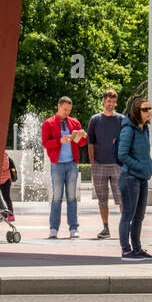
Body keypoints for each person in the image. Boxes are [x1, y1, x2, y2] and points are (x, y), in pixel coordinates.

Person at [41, 95, 87, 240]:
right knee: (56, 197)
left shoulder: (74, 122)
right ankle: (53, 228)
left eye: (69, 110)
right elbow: (45, 143)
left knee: (72, 197)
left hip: (72, 164)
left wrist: (83, 136)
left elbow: (81, 144)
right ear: (58, 106)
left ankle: (73, 228)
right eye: (65, 109)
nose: (67, 112)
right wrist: (59, 141)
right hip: (57, 165)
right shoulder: (48, 123)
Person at [117, 95, 152, 260]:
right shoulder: (128, 129)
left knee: (139, 216)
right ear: (136, 111)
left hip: (142, 178)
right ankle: (126, 250)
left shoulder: (144, 129)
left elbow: (145, 154)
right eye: (145, 109)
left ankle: (137, 249)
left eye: (149, 108)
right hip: (130, 178)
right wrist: (141, 167)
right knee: (128, 215)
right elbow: (122, 155)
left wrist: (149, 166)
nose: (149, 112)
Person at [87, 89, 124, 239]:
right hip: (99, 164)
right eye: (108, 101)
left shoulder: (121, 119)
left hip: (117, 165)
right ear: (103, 101)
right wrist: (92, 163)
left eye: (113, 101)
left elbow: (126, 140)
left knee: (122, 198)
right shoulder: (95, 120)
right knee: (102, 199)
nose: (111, 104)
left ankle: (124, 228)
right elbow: (90, 143)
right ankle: (105, 228)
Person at [0, 150, 16, 219]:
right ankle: (3, 214)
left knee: (6, 198)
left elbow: (5, 166)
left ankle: (11, 215)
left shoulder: (4, 154)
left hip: (6, 180)